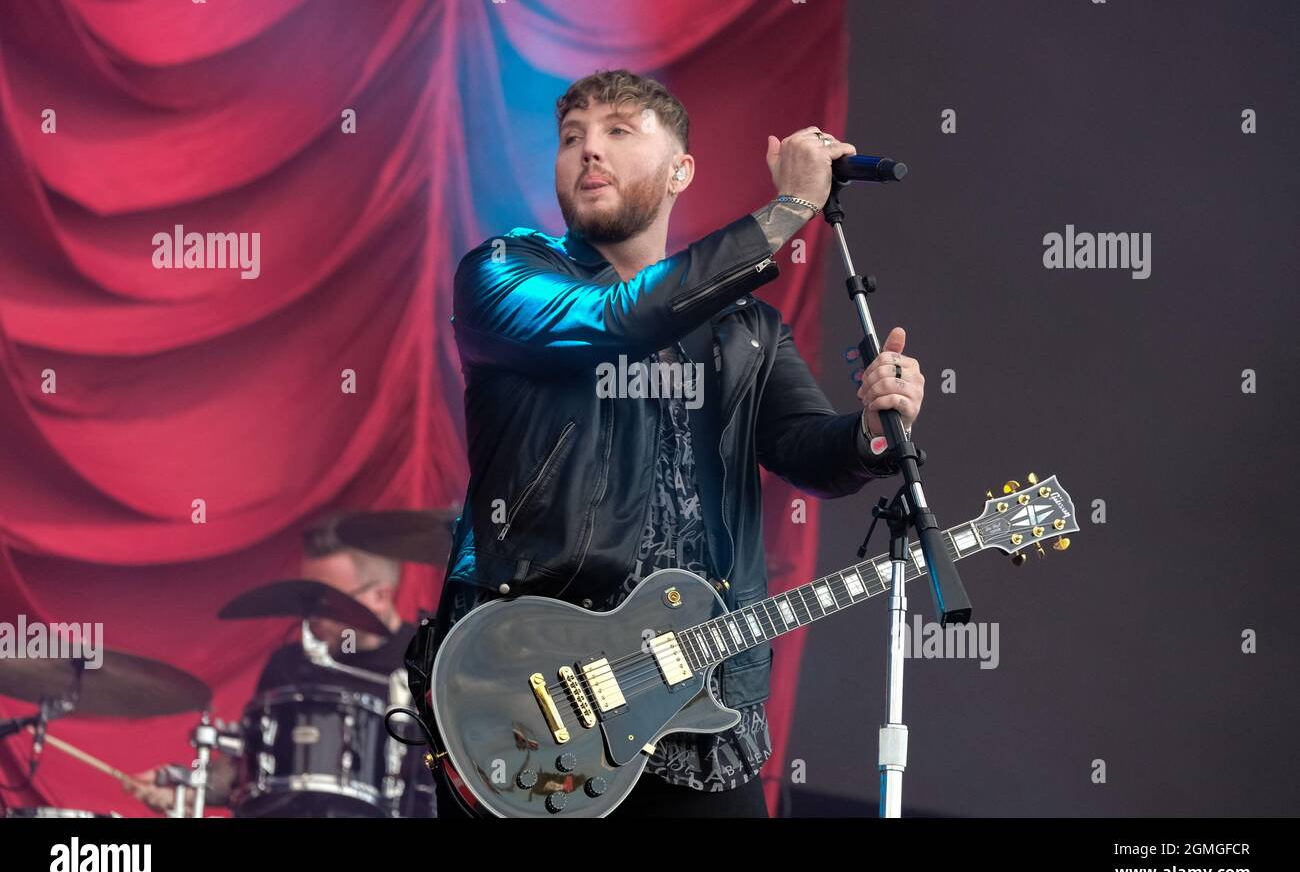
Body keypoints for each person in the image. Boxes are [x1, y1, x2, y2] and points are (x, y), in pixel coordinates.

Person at [413, 68, 926, 818]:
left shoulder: (745, 328)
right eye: (571, 138)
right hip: (540, 689)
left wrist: (873, 434)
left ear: (681, 170)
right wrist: (788, 210)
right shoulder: (503, 275)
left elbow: (808, 451)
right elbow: (621, 317)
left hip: (702, 696)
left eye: (619, 131)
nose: (590, 150)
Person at [124, 515, 424, 816]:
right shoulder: (289, 664)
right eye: (308, 598)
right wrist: (187, 787)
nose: (314, 614)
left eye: (329, 600)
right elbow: (251, 771)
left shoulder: (426, 662)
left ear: (380, 596)